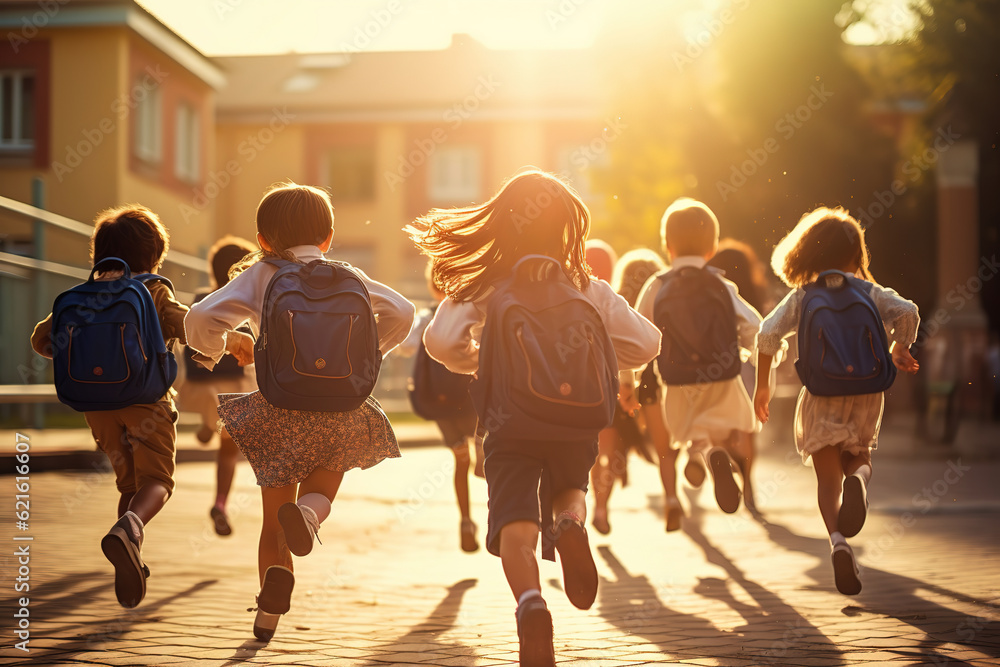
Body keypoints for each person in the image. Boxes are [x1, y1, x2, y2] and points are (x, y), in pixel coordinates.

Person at [408, 169, 660, 666]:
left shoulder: (489, 283)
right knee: (570, 489)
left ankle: (530, 604)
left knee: (515, 521)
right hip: (577, 423)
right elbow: (648, 343)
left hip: (510, 421)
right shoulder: (587, 285)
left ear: (502, 224)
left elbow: (438, 342)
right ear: (568, 229)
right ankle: (569, 525)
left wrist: (481, 359)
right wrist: (602, 363)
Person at [184, 183, 415, 641]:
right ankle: (310, 516)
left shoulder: (263, 274)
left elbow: (199, 320)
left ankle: (268, 611)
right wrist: (372, 354)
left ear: (263, 240)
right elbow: (404, 312)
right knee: (323, 485)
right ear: (328, 237)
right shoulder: (347, 276)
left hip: (280, 407)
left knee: (274, 518)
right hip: (342, 409)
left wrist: (214, 351)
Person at [30, 205, 206, 609]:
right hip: (147, 402)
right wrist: (230, 340)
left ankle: (128, 546)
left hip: (96, 407)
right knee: (158, 481)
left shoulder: (82, 295)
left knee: (128, 484)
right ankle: (132, 527)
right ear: (154, 256)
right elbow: (188, 325)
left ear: (99, 254)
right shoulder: (153, 290)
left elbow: (43, 340)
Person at [754, 206, 919, 596]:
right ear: (855, 255)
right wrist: (900, 347)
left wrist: (764, 385)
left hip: (822, 393)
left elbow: (766, 335)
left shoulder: (803, 297)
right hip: (866, 394)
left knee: (827, 479)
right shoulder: (868, 292)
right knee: (859, 456)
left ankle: (839, 543)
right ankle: (859, 480)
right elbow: (908, 312)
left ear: (808, 253)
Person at [635, 198, 761, 515]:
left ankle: (699, 454)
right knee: (720, 426)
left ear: (668, 246)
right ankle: (713, 452)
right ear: (712, 247)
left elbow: (637, 334)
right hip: (722, 375)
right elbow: (753, 327)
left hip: (675, 379)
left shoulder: (657, 285)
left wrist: (630, 380)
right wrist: (758, 360)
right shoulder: (720, 283)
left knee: (688, 426)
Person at [398, 262, 483, 553]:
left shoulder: (427, 318)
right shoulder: (474, 314)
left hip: (440, 403)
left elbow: (407, 345)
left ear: (433, 287)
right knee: (488, 451)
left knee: (460, 459)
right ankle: (499, 510)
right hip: (471, 399)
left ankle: (466, 519)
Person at [178, 236, 257, 536]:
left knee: (214, 413)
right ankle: (221, 504)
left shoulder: (199, 299)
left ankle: (206, 425)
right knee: (228, 451)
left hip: (196, 389)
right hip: (233, 388)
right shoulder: (245, 307)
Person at [590, 248, 669, 535]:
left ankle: (599, 506)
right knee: (620, 453)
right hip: (640, 386)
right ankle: (672, 492)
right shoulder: (652, 299)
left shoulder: (605, 298)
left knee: (601, 452)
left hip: (599, 387)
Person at [706, 239, 771, 514]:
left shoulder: (713, 290)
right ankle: (748, 486)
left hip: (718, 366)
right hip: (748, 365)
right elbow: (760, 332)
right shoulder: (753, 295)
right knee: (747, 429)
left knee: (720, 426)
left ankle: (721, 456)